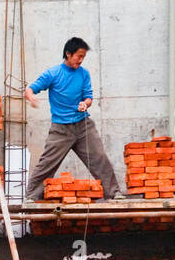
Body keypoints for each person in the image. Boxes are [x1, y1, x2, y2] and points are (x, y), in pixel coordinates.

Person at [23, 37, 122, 201]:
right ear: (68, 54)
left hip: (83, 127)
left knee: (99, 158)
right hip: (61, 129)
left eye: (83, 57)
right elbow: (31, 89)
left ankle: (114, 193)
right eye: (79, 56)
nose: (81, 60)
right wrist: (31, 97)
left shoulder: (84, 74)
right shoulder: (53, 74)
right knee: (47, 163)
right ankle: (32, 197)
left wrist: (85, 103)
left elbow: (88, 96)